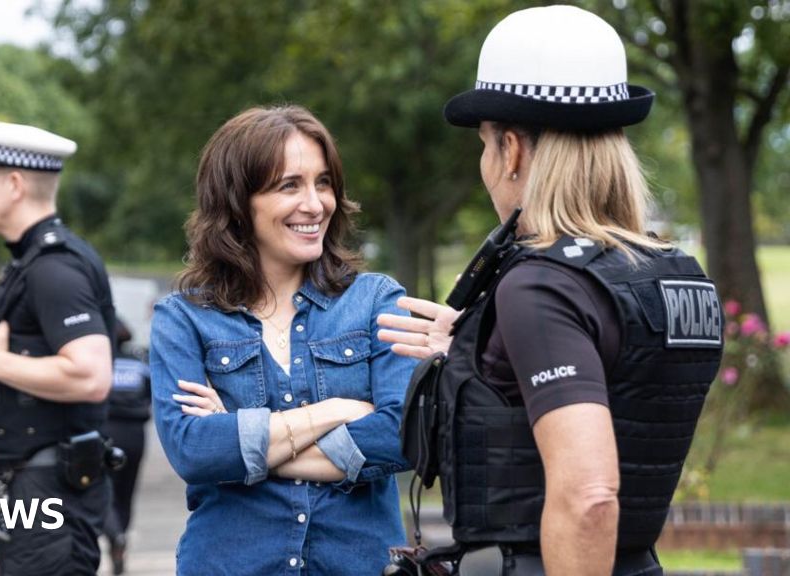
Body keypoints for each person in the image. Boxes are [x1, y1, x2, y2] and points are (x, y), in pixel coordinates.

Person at [377, 6, 724, 575]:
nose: (486, 165)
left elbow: (588, 495)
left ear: (512, 150)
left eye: (486, 146)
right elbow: (619, 382)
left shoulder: (542, 285)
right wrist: (470, 356)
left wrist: (526, 315)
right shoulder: (676, 275)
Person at [149, 105, 418, 575]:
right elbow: (194, 450)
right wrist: (333, 412)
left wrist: (243, 441)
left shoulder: (377, 301)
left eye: (324, 182)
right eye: (288, 185)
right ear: (238, 201)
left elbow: (401, 435)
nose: (315, 204)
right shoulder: (184, 319)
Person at [0, 116, 116, 576]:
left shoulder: (53, 269)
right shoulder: (33, 262)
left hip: (51, 490)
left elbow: (91, 375)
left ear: (13, 184)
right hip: (36, 487)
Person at [102, 319, 152, 575]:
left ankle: (114, 535)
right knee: (126, 491)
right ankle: (121, 534)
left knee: (103, 488)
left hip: (106, 433)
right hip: (135, 434)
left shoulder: (101, 363)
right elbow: (151, 395)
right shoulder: (138, 364)